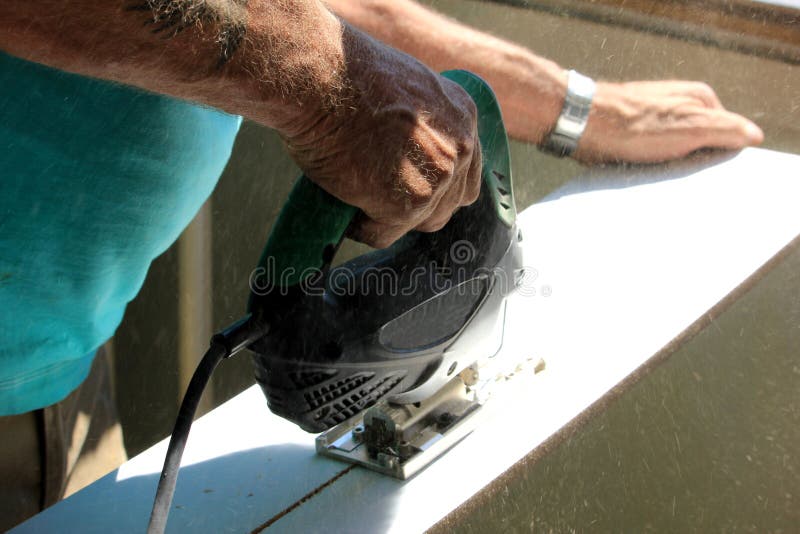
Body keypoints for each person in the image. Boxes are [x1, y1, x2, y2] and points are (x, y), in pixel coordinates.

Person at [0, 0, 762, 529]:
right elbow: (316, 49)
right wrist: (331, 93)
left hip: (61, 359)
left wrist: (570, 108)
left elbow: (318, 17)